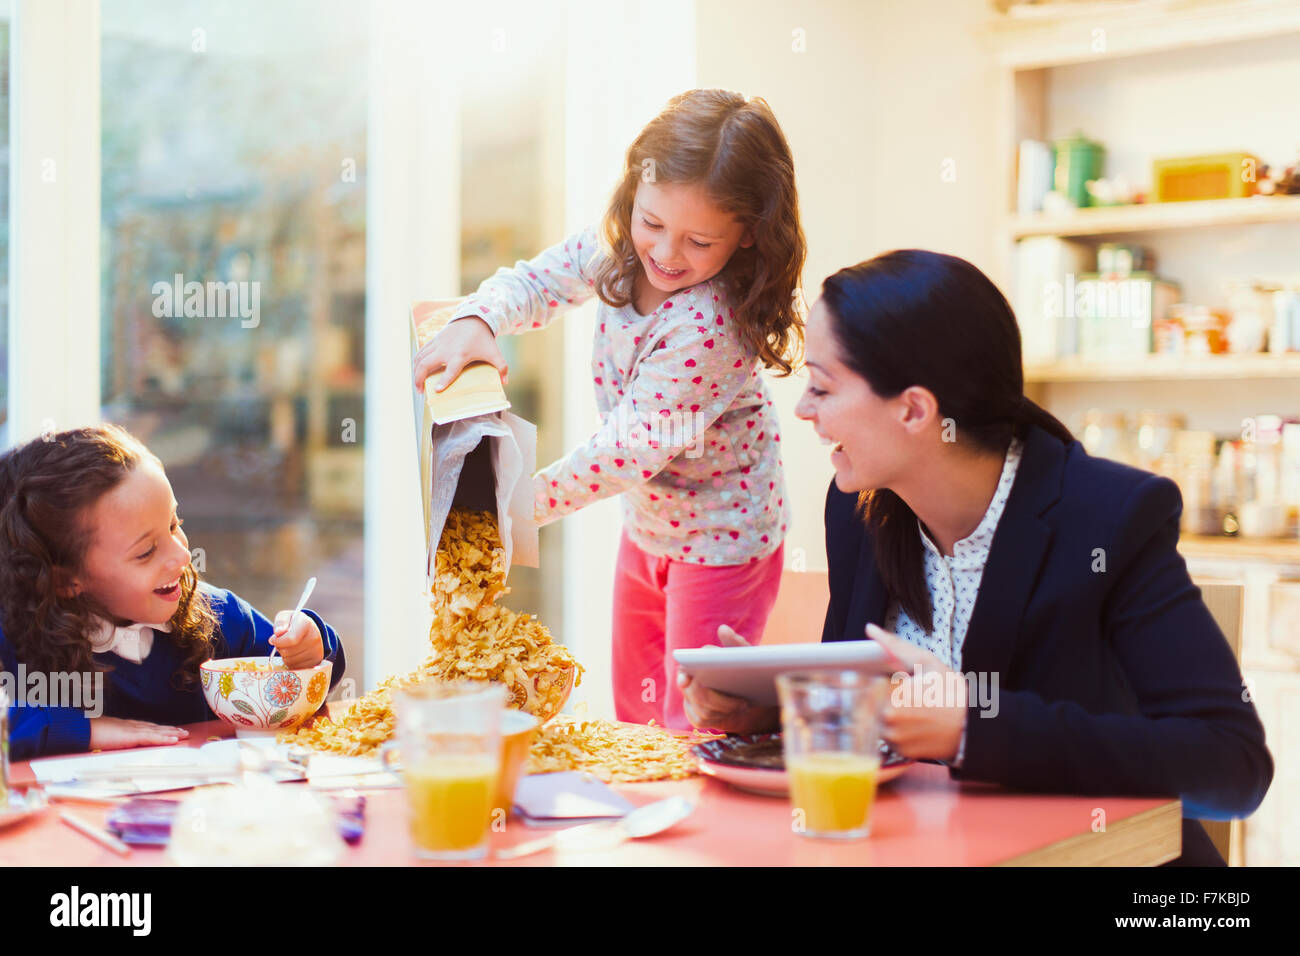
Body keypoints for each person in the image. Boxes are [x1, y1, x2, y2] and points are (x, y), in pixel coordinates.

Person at [679, 249, 1273, 866]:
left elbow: (1232, 767)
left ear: (915, 409)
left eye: (823, 387)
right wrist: (777, 713)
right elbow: (875, 715)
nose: (803, 409)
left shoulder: (1110, 519)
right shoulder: (859, 511)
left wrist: (973, 728)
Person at [413, 89, 806, 730]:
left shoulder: (711, 324)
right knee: (636, 712)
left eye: (699, 240)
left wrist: (516, 509)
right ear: (632, 196)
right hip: (648, 524)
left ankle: (694, 826)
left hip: (722, 543)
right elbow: (538, 280)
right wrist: (481, 317)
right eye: (651, 222)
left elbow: (627, 449)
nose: (667, 253)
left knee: (693, 726)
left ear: (749, 234)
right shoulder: (619, 247)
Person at [0, 424, 347, 759]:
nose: (182, 555)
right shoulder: (16, 638)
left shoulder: (220, 616)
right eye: (146, 552)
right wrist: (87, 729)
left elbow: (302, 680)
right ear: (66, 580)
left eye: (173, 524)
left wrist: (311, 648)